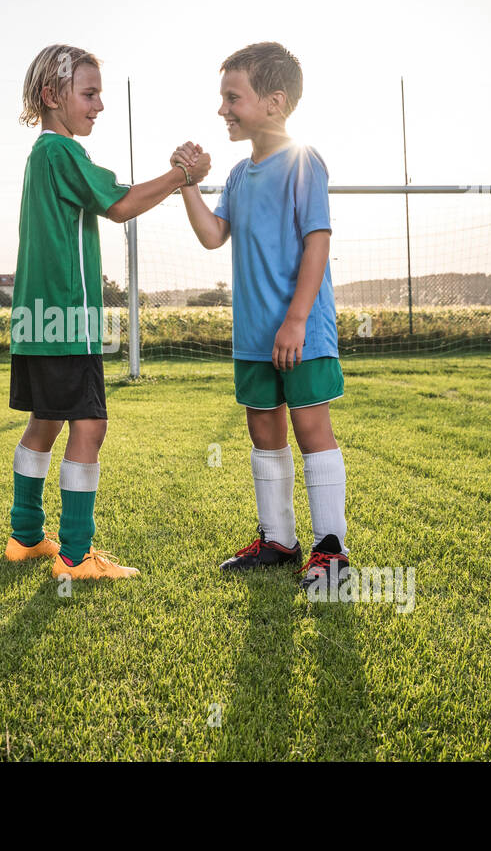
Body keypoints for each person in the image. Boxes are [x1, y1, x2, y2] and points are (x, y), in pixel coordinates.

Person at [6, 43, 209, 580]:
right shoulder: (61, 152)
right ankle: (76, 556)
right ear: (53, 96)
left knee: (46, 420)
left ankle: (24, 536)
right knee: (89, 424)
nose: (98, 105)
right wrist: (181, 175)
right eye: (89, 93)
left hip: (36, 322)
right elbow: (119, 205)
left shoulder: (41, 156)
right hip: (68, 319)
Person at [174, 42, 350, 589]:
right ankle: (279, 540)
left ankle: (332, 553)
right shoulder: (236, 175)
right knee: (263, 429)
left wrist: (296, 319)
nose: (224, 110)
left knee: (310, 427)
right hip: (253, 336)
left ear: (273, 102)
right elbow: (212, 236)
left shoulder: (303, 161)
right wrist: (185, 183)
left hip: (301, 332)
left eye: (233, 98)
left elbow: (317, 242)